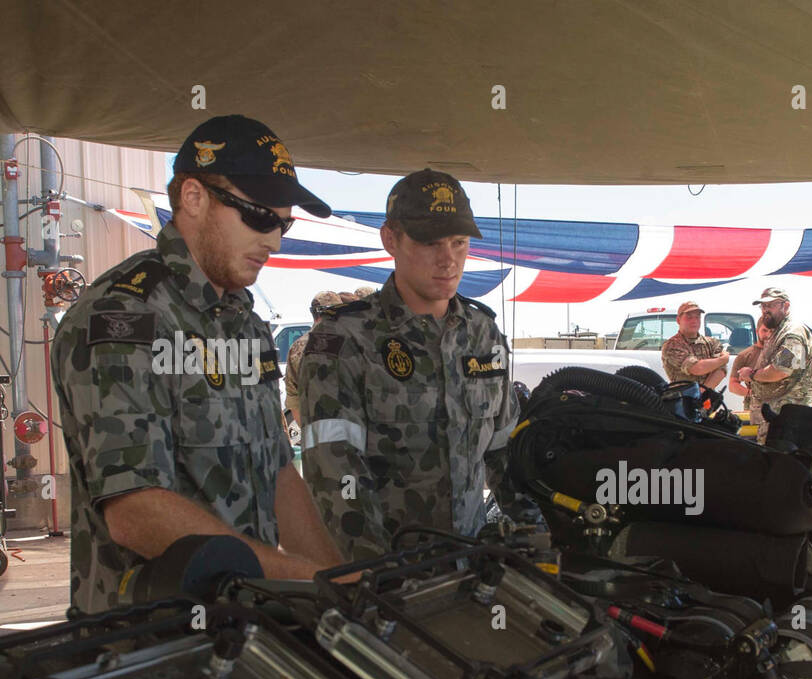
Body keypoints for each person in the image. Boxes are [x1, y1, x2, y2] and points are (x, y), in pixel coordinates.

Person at [51, 114, 345, 614]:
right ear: (193, 197)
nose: (274, 241)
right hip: (149, 641)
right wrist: (298, 579)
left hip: (247, 622)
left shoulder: (244, 323)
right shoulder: (123, 316)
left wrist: (339, 586)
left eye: (284, 223)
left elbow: (277, 472)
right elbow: (136, 510)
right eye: (258, 216)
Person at [298, 170, 521, 560]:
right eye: (430, 242)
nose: (448, 259)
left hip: (472, 564)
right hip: (386, 573)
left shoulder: (484, 334)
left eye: (459, 242)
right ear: (391, 239)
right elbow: (335, 476)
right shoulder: (345, 339)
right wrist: (378, 575)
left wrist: (529, 538)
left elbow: (506, 452)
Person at [747, 287, 812, 443]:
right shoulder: (778, 331)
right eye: (763, 306)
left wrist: (752, 374)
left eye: (770, 305)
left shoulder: (793, 333)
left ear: (786, 306)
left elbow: (780, 370)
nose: (765, 310)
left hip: (788, 420)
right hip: (776, 417)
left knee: (783, 465)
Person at [284, 290, 343, 427]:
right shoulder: (350, 341)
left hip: (316, 431)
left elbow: (294, 399)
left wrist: (308, 434)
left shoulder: (297, 347)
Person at [660, 301, 729, 388]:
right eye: (689, 317)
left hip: (708, 397)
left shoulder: (712, 343)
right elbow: (697, 368)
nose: (694, 321)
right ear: (678, 320)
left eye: (697, 317)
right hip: (683, 398)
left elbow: (721, 370)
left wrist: (703, 393)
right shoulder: (672, 345)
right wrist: (724, 359)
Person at [728, 319, 772, 414]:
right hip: (754, 407)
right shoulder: (744, 355)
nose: (768, 335)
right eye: (764, 330)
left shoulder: (780, 353)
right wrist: (750, 393)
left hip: (777, 405)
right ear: (757, 331)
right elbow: (732, 385)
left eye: (771, 331)